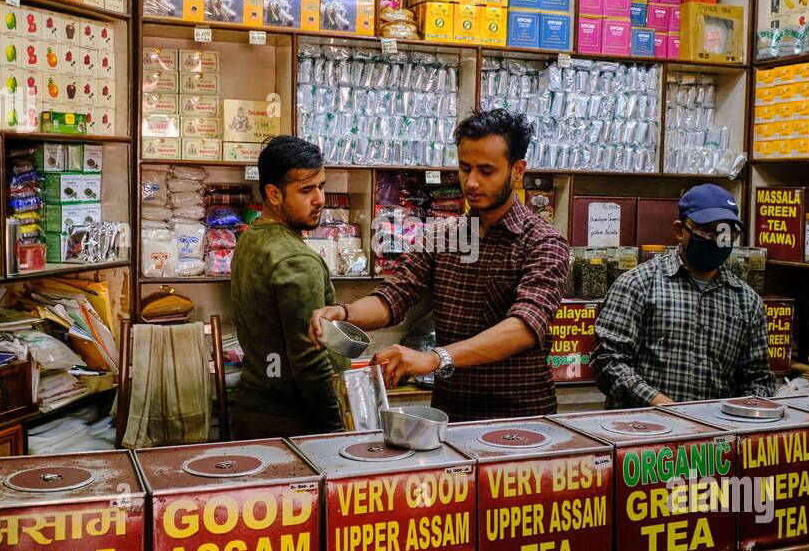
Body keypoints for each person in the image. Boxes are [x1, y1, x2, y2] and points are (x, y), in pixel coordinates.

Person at [309, 108, 570, 421]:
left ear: (517, 170)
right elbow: (395, 295)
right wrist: (346, 314)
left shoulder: (543, 242)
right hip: (452, 413)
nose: (471, 182)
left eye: (486, 171)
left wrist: (435, 358)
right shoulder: (443, 235)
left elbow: (524, 327)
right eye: (464, 168)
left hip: (520, 419)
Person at [591, 184, 775, 407]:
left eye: (726, 233)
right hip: (643, 431)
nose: (716, 240)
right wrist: (659, 403)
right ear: (680, 230)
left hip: (713, 436)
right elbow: (608, 361)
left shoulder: (747, 301)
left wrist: (742, 414)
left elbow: (758, 379)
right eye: (706, 231)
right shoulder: (638, 284)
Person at [230, 136, 347, 438]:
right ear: (274, 194)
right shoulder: (296, 260)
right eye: (306, 190)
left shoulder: (250, 238)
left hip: (253, 409)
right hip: (293, 422)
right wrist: (336, 430)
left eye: (321, 186)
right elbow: (310, 359)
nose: (320, 198)